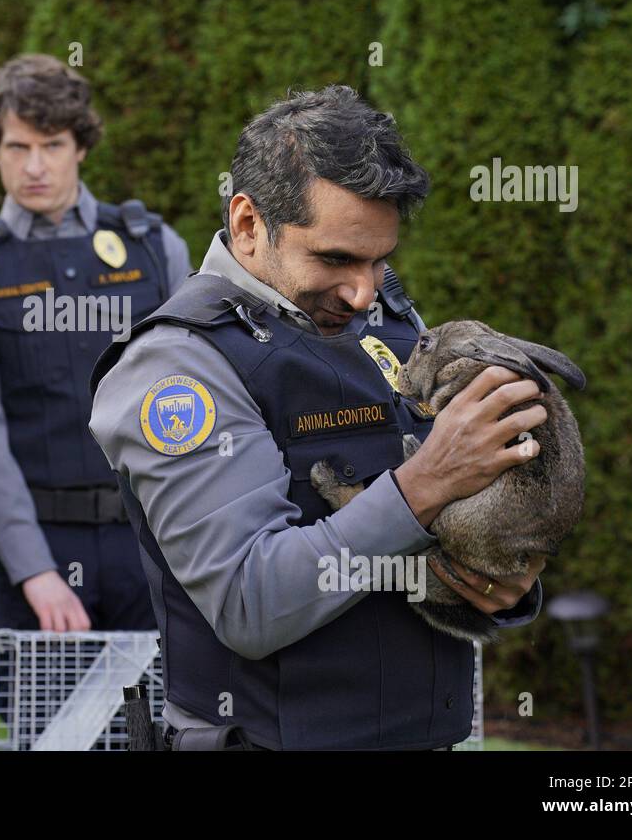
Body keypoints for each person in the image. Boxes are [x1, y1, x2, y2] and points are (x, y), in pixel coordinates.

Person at [89, 85, 546, 751]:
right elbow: (250, 602)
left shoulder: (384, 326)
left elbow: (432, 537)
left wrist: (500, 575)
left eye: (378, 259)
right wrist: (428, 483)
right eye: (336, 258)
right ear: (248, 223)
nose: (364, 292)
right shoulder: (178, 368)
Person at [0, 55, 191, 635]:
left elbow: (198, 403)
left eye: (52, 145)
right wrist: (33, 571)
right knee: (42, 729)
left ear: (80, 146)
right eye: (17, 147)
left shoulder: (154, 248)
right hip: (35, 556)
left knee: (165, 728)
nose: (35, 166)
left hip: (153, 547)